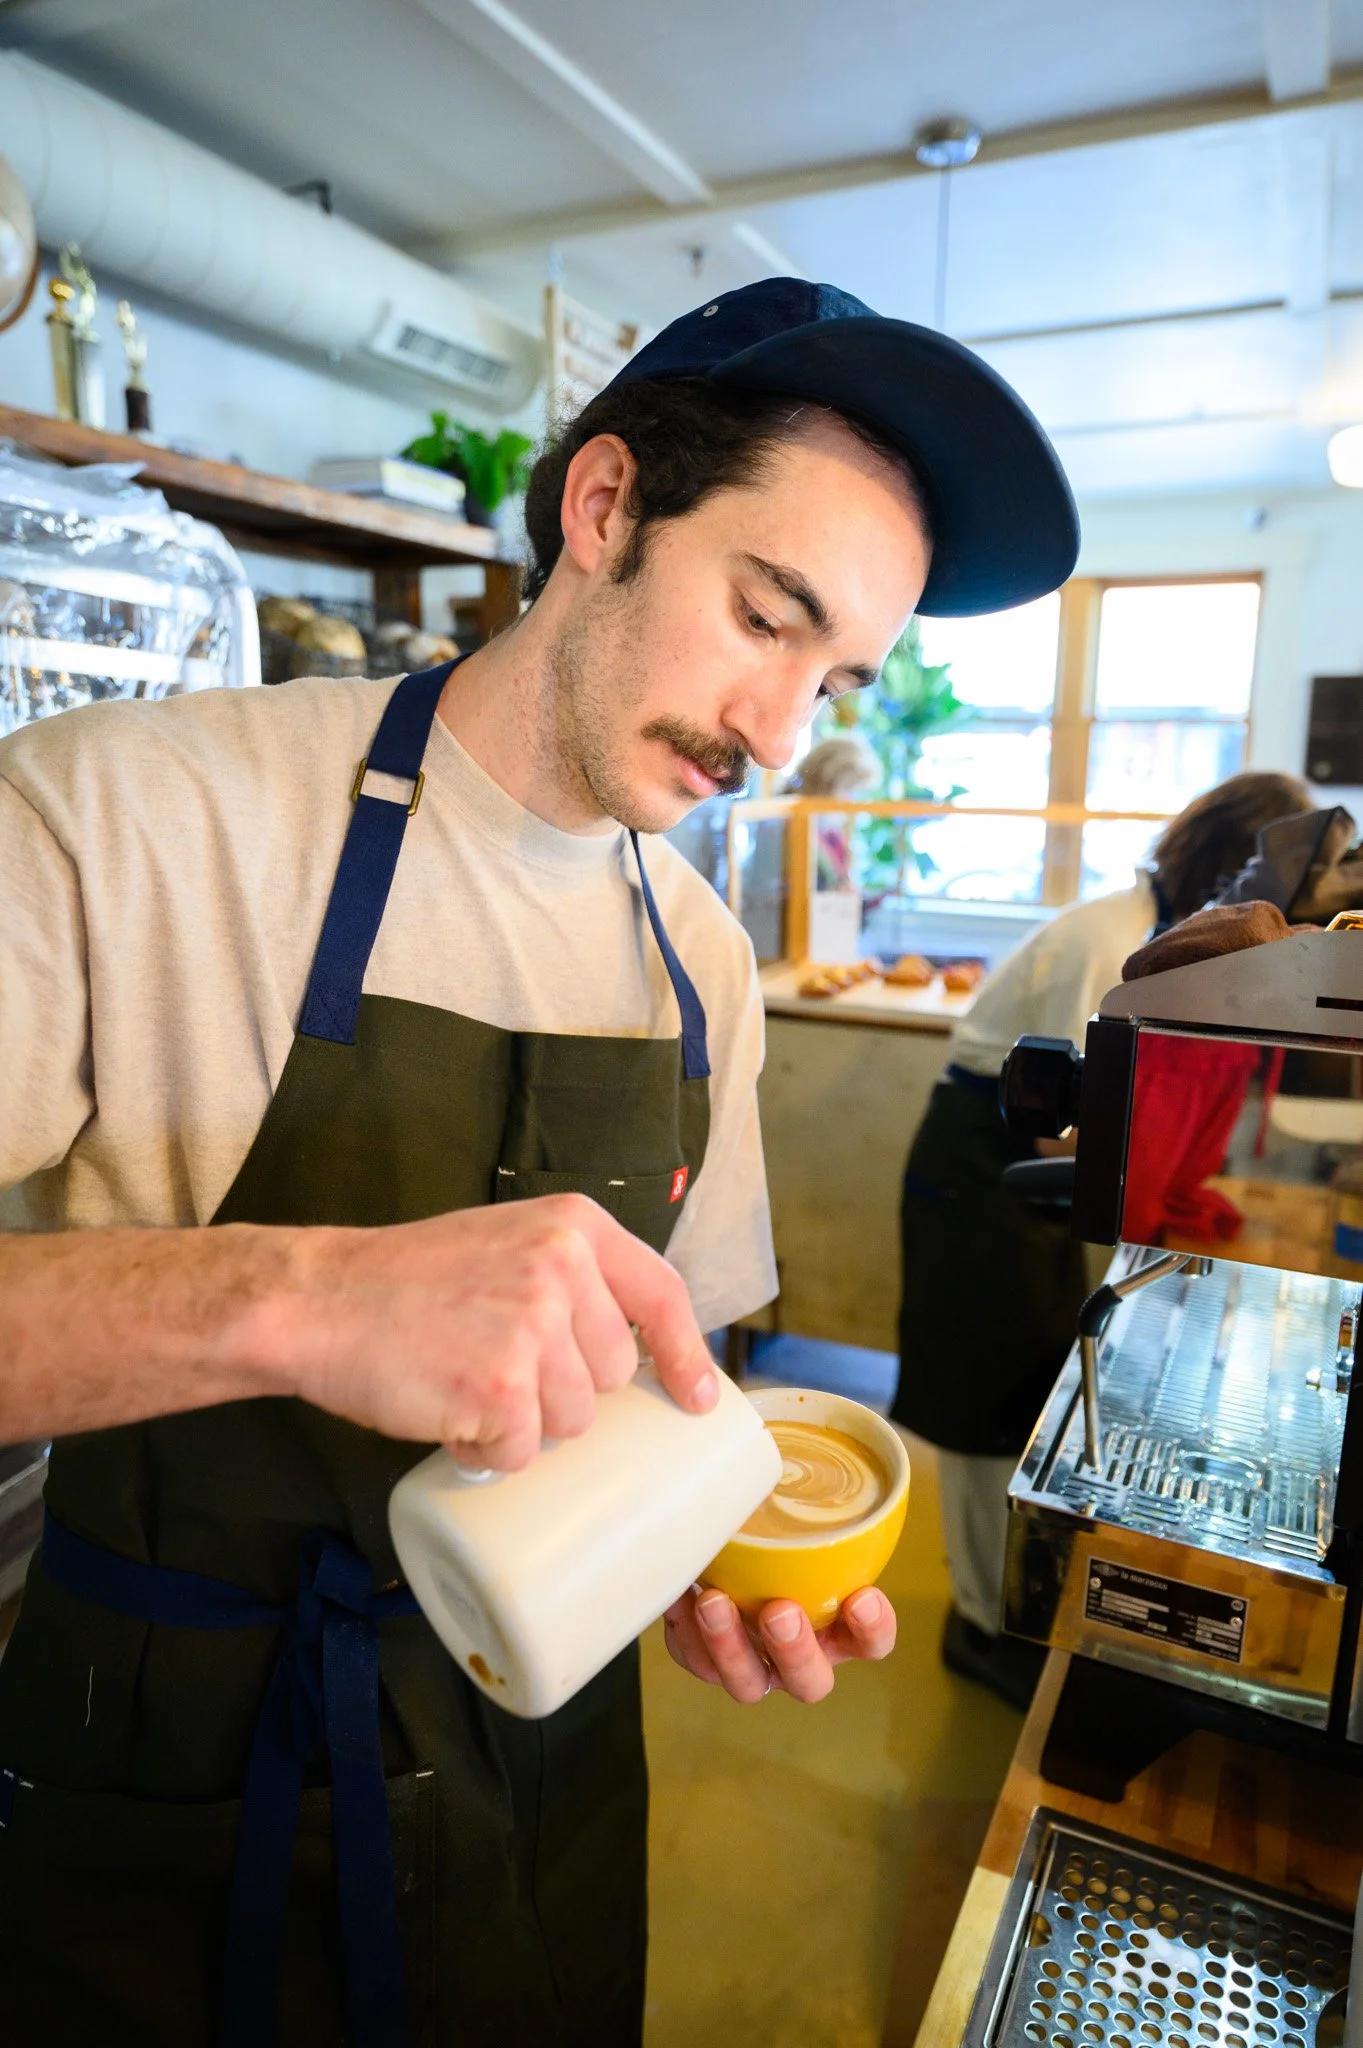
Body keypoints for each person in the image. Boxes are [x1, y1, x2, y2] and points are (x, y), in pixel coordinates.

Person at [0, 277, 1078, 2046]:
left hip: (540, 1739)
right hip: (169, 1770)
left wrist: (684, 1550)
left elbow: (682, 1375)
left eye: (834, 677)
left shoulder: (700, 965)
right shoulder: (123, 815)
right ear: (602, 510)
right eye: (760, 617)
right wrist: (290, 1289)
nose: (774, 732)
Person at [891, 770, 1312, 1709]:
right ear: (1225, 867)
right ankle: (972, 1621)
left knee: (1031, 1383)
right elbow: (1072, 1128)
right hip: (980, 1160)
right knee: (984, 1399)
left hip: (1029, 1158)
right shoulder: (1115, 945)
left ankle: (1005, 1594)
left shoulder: (1172, 946)